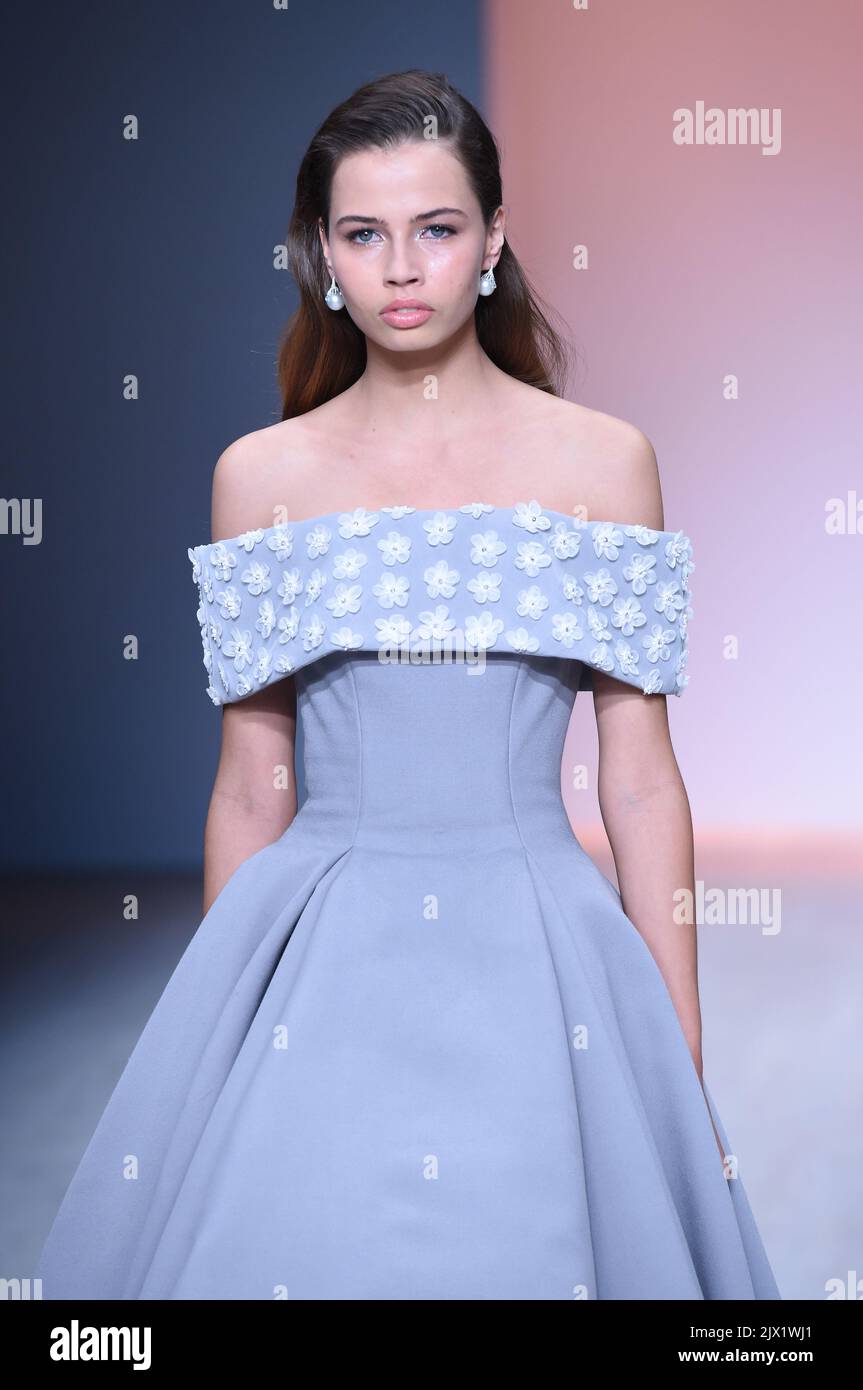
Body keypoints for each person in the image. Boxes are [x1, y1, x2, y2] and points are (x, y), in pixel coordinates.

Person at [35, 68, 781, 1300]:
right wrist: (217, 1028)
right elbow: (248, 787)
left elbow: (639, 784)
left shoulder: (600, 463)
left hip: (544, 955)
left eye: (435, 229)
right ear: (320, 256)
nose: (401, 268)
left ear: (493, 241)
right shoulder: (261, 475)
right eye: (362, 234)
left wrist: (674, 1048)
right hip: (320, 948)